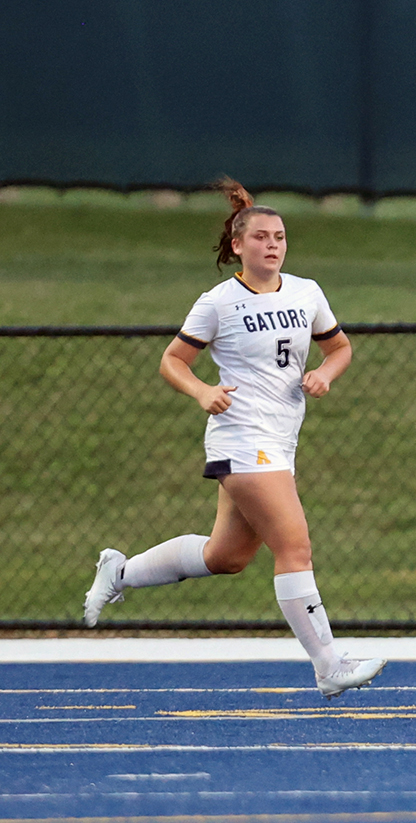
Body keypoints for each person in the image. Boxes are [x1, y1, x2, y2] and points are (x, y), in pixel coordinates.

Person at [81, 180, 385, 697]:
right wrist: (202, 392)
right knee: (295, 546)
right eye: (262, 236)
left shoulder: (306, 291)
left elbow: (340, 349)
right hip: (241, 439)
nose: (273, 244)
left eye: (281, 236)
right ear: (238, 245)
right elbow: (172, 361)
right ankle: (328, 664)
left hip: (281, 441)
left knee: (227, 557)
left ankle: (121, 571)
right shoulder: (218, 303)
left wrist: (327, 374)